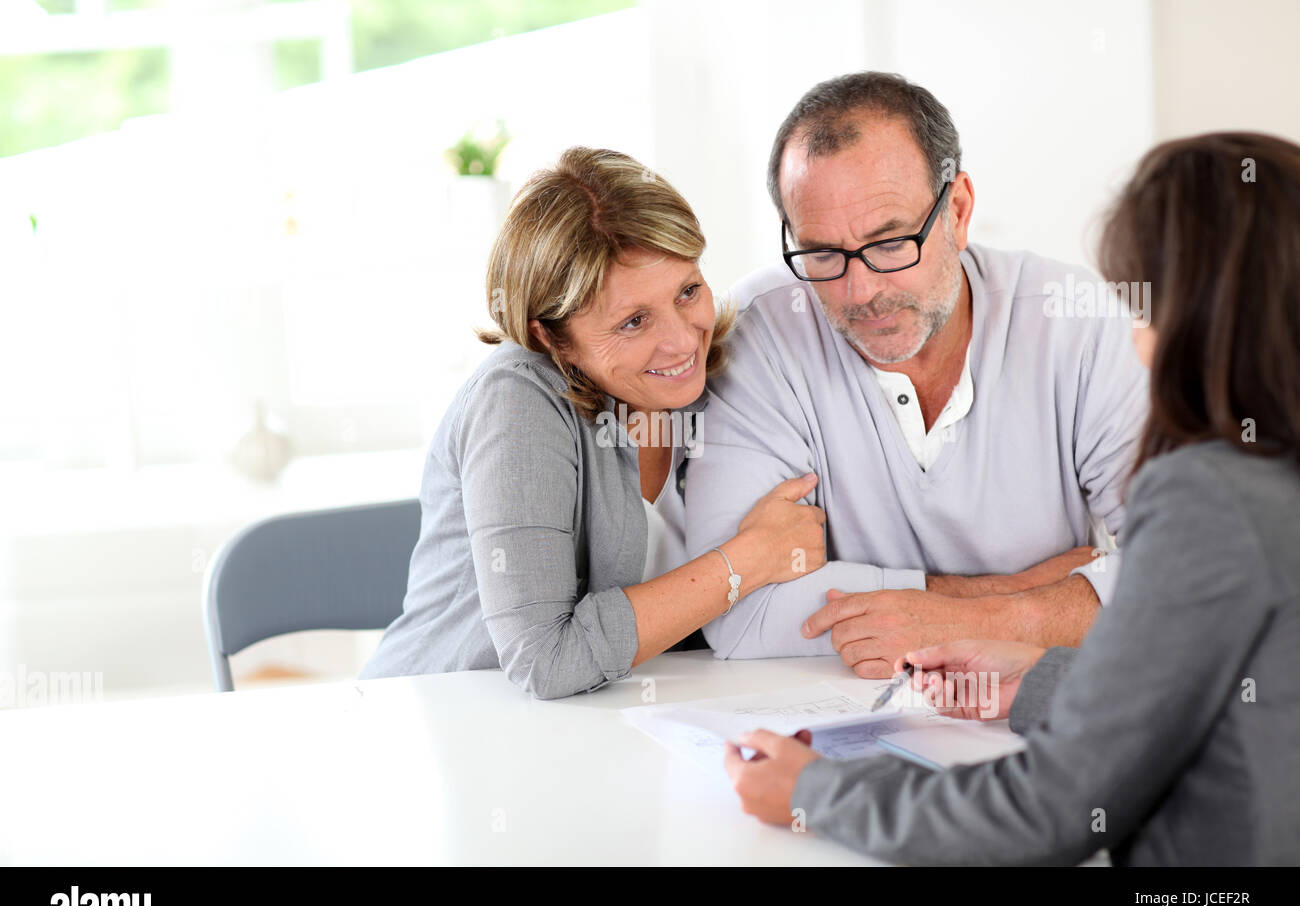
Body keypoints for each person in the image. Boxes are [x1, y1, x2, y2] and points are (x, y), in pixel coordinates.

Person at [725, 131, 1300, 865]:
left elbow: (1048, 812)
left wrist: (815, 793)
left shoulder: (1210, 496)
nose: (1137, 342)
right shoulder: (1271, 473)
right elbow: (1203, 689)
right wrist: (1037, 679)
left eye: (1147, 309)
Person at [685, 72, 1149, 674]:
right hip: (837, 721)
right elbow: (737, 613)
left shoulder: (1074, 322)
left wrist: (978, 621)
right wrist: (1016, 597)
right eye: (822, 253)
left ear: (957, 210)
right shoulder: (758, 332)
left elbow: (1183, 569)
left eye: (890, 241)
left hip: (1032, 721)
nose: (862, 291)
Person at [360, 147, 827, 699]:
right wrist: (749, 560)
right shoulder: (518, 402)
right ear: (550, 337)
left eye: (687, 291)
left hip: (616, 727)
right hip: (446, 723)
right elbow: (545, 660)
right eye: (633, 322)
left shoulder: (727, 375)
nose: (682, 340)